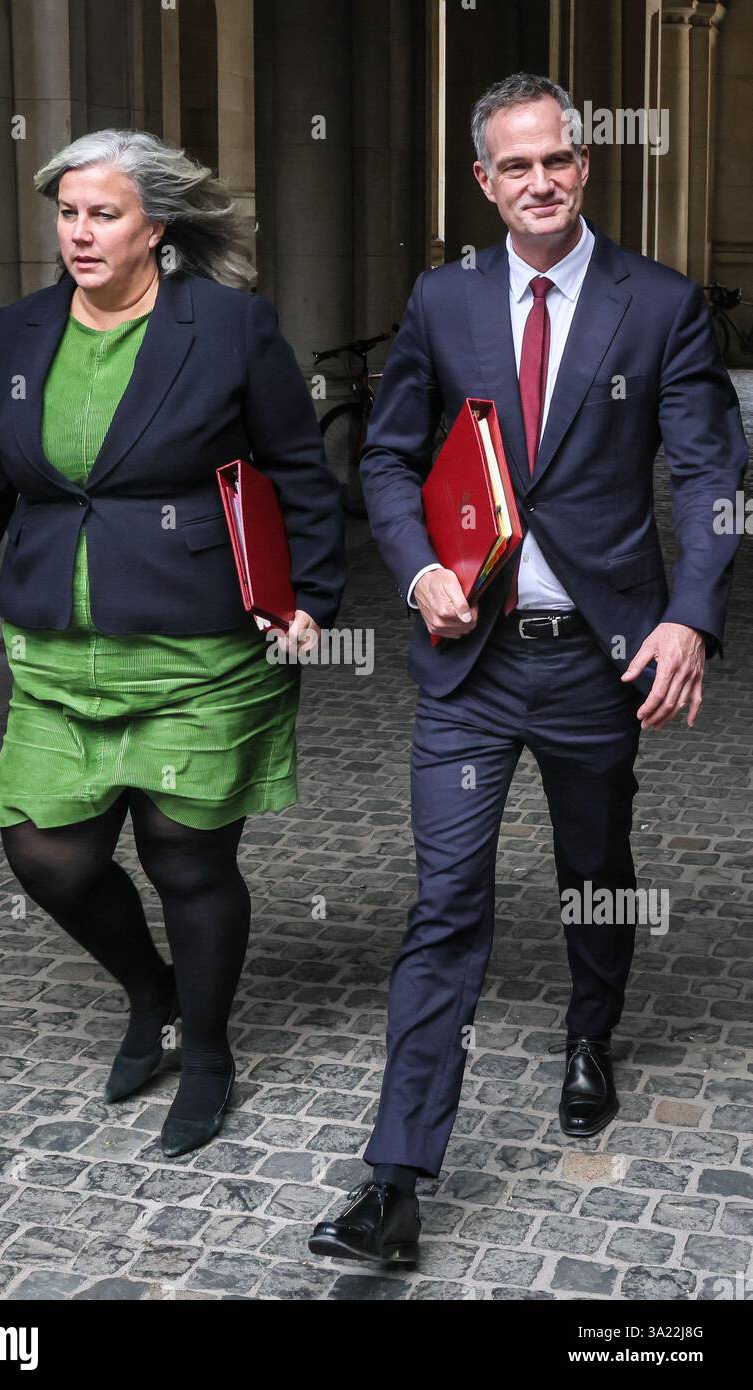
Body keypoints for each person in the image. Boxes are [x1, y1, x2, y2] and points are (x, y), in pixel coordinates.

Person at [309, 72, 747, 1265]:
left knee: (594, 867)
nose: (539, 181)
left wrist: (689, 617)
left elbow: (713, 479)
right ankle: (394, 1180)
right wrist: (412, 573)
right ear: (483, 181)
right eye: (514, 166)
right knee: (444, 902)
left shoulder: (655, 305)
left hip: (598, 662)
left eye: (555, 159)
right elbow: (390, 459)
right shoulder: (442, 301)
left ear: (583, 165)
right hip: (469, 662)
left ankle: (589, 1030)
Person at [0, 128, 345, 1159]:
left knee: (184, 858)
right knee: (46, 851)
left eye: (103, 214)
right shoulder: (16, 332)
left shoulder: (227, 327)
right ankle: (152, 994)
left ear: (156, 226)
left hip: (199, 643)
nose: (79, 233)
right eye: (67, 214)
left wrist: (308, 596)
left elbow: (294, 468)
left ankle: (209, 1051)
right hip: (59, 645)